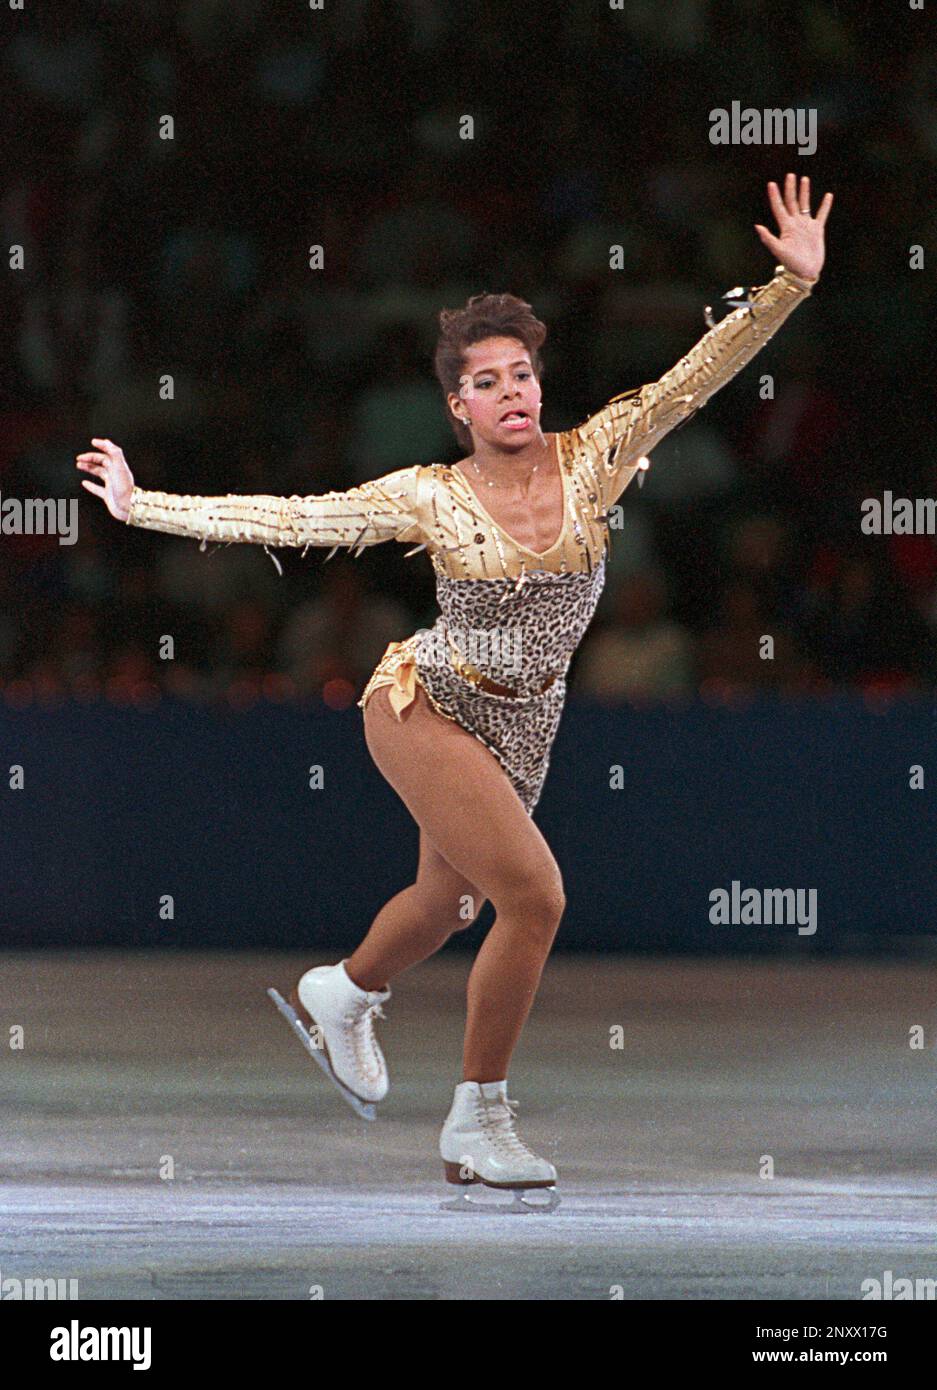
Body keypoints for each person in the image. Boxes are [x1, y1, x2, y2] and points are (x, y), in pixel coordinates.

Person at [77, 174, 832, 1210]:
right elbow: (297, 520)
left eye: (521, 373)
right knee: (534, 896)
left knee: (448, 900)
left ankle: (342, 990)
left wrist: (785, 287)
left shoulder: (595, 458)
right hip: (422, 703)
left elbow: (689, 380)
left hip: (525, 731)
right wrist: (142, 503)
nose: (512, 391)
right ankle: (479, 1119)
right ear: (456, 406)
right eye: (487, 381)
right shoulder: (426, 493)